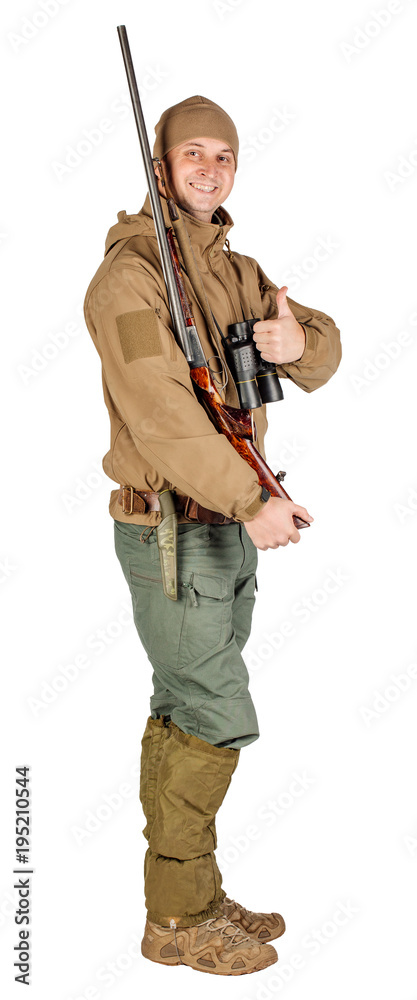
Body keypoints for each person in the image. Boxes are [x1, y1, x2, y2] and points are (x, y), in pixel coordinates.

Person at [84, 95, 341, 976]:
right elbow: (162, 419)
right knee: (215, 715)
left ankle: (182, 899)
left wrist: (292, 338)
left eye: (221, 157)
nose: (207, 169)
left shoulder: (232, 266)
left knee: (182, 709)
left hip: (224, 531)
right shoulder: (130, 277)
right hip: (177, 533)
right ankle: (180, 920)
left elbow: (325, 349)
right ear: (160, 168)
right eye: (190, 154)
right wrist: (253, 500)